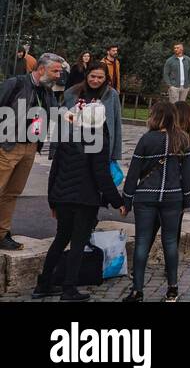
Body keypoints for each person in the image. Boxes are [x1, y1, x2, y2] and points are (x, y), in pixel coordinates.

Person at [31, 103, 126, 301]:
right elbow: (102, 177)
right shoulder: (99, 140)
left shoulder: (67, 136)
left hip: (62, 198)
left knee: (60, 239)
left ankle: (44, 282)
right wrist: (118, 202)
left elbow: (54, 170)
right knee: (77, 243)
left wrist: (53, 201)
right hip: (85, 200)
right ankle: (69, 287)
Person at [123, 101, 190, 301]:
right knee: (170, 243)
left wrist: (126, 200)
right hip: (173, 197)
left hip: (146, 195)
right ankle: (172, 289)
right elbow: (188, 176)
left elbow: (133, 174)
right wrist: (185, 200)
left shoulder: (146, 139)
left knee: (142, 242)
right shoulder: (183, 139)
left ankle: (137, 290)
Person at [0, 52, 64, 252]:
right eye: (55, 71)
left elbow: (55, 115)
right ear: (42, 69)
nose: (58, 76)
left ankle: (2, 233)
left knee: (12, 193)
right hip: (7, 145)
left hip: (29, 147)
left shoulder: (47, 91)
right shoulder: (16, 83)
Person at [63, 62, 124, 164]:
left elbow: (116, 123)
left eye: (100, 77)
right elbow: (62, 121)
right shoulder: (72, 93)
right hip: (75, 146)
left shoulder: (112, 95)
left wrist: (115, 154)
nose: (96, 80)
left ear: (106, 78)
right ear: (87, 75)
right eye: (93, 76)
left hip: (101, 147)